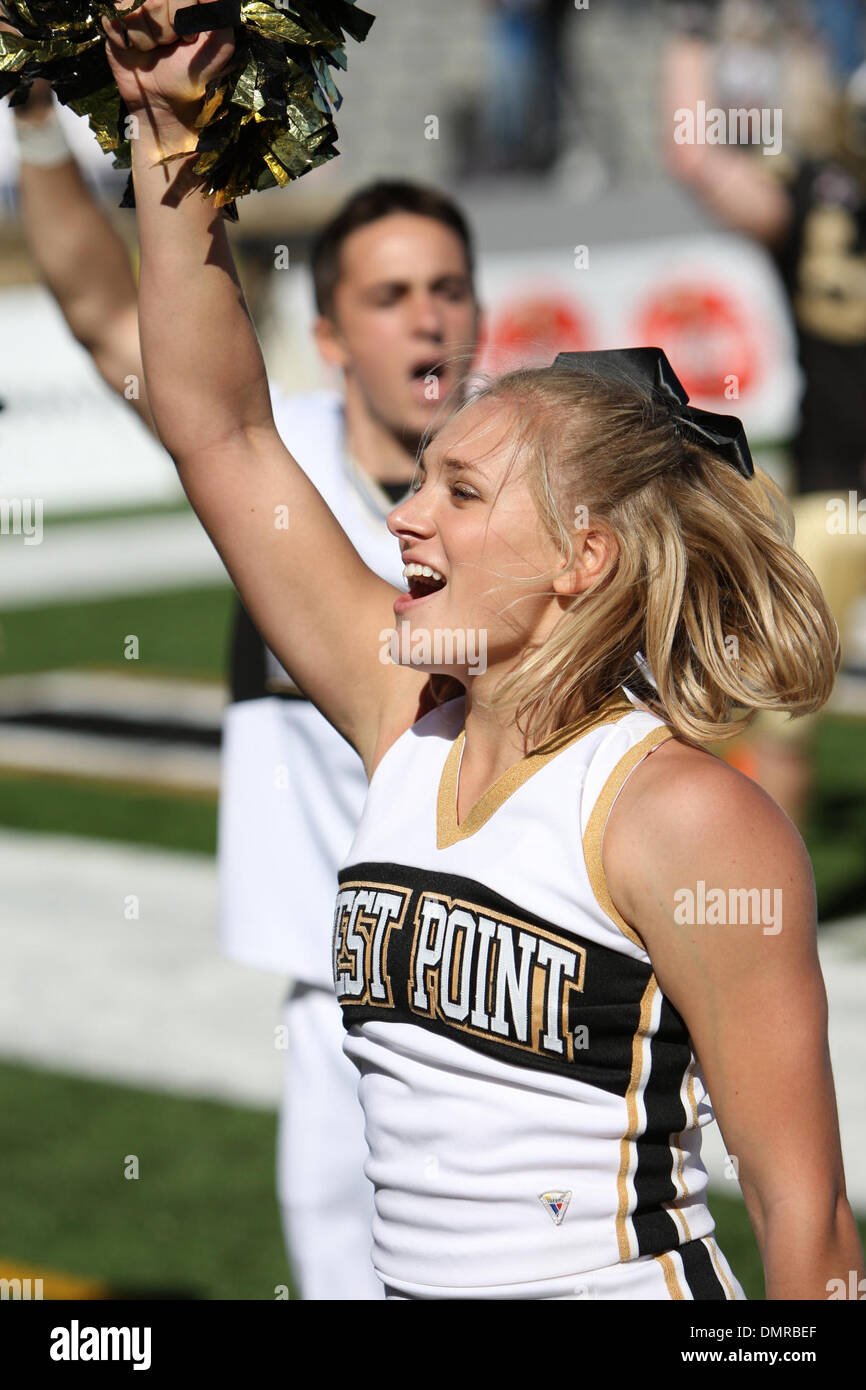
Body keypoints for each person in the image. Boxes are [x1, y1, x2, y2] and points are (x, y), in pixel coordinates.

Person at [94, 0, 864, 1299]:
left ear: (583, 559)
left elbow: (810, 1229)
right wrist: (167, 130)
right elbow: (216, 424)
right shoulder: (400, 709)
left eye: (459, 493)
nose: (401, 516)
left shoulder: (676, 816)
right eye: (418, 485)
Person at [9, 83, 481, 1297]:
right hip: (337, 1003)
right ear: (327, 337)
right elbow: (103, 311)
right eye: (388, 296)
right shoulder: (276, 463)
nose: (426, 322)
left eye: (446, 289)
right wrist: (30, 119)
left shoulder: (536, 491)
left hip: (510, 989)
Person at [664, 17, 866, 829]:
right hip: (832, 491)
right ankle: (764, 911)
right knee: (778, 707)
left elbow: (697, 155)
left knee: (779, 708)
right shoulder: (816, 186)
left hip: (833, 494)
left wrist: (692, 33)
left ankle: (764, 915)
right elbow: (700, 159)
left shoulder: (817, 186)